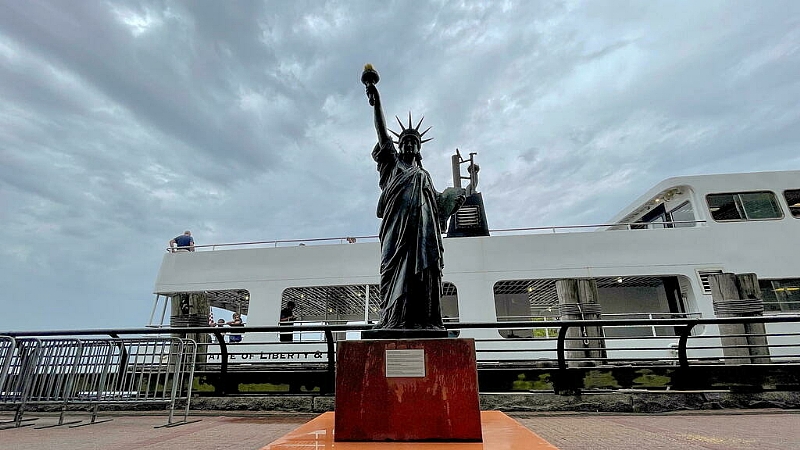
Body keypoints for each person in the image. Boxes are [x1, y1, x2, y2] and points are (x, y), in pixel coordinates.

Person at [364, 76, 464, 331]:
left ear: (419, 148)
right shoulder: (391, 166)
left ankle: (423, 319)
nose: (408, 144)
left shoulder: (424, 176)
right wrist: (376, 103)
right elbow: (382, 133)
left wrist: (454, 197)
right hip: (395, 230)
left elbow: (438, 204)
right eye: (404, 141)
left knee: (422, 275)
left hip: (422, 234)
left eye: (413, 142)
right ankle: (392, 317)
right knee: (390, 270)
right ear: (399, 146)